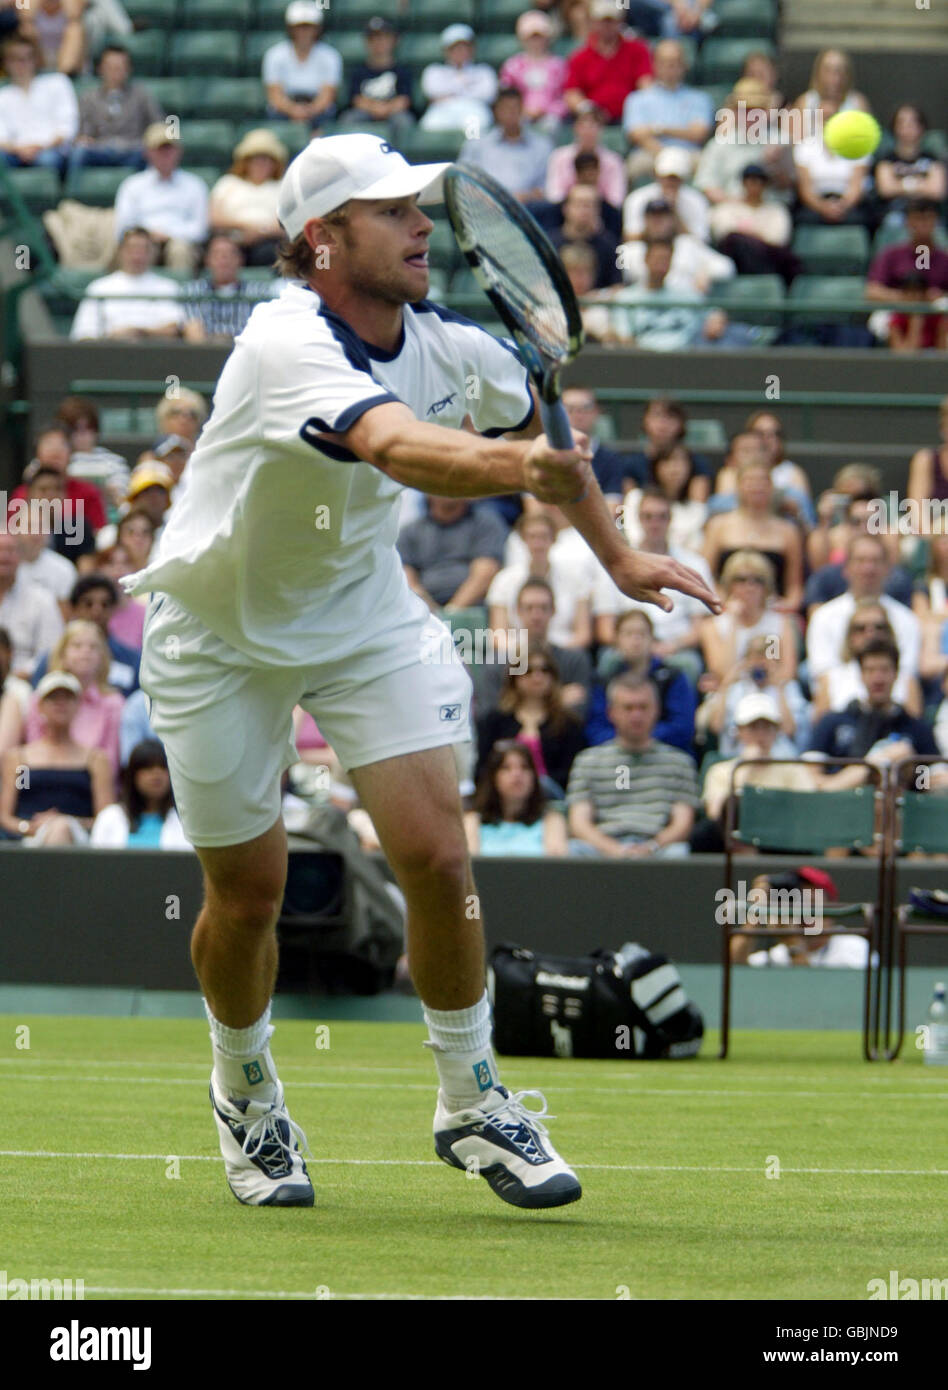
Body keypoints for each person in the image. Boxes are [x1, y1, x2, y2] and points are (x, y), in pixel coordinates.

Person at [119, 130, 718, 1211]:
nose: (421, 225)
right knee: (248, 895)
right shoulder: (281, 343)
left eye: (420, 206)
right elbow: (398, 447)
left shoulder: (448, 345)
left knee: (441, 856)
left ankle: (470, 1096)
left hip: (364, 620)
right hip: (218, 632)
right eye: (392, 209)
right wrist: (518, 467)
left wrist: (619, 553)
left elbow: (541, 431)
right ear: (322, 238)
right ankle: (246, 1091)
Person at [566, 672, 699, 856]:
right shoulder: (587, 761)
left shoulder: (679, 763)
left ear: (656, 710)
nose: (636, 715)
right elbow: (579, 823)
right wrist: (615, 849)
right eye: (628, 708)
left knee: (678, 852)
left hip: (657, 846)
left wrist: (651, 847)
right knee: (573, 849)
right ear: (611, 713)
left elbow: (683, 823)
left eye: (643, 707)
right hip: (602, 847)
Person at [593, 485, 711, 681]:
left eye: (661, 516)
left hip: (675, 649)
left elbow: (701, 627)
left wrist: (672, 646)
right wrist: (635, 646)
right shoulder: (618, 564)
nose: (655, 523)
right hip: (626, 647)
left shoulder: (694, 564)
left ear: (670, 519)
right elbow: (605, 629)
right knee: (607, 661)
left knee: (690, 665)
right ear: (639, 519)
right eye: (648, 516)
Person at [692, 692, 816, 852]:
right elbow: (715, 815)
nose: (760, 734)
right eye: (753, 727)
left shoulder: (792, 768)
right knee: (704, 834)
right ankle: (736, 876)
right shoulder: (721, 770)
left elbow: (807, 811)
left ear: (776, 731)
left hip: (778, 840)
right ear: (739, 731)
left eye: (767, 727)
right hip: (733, 843)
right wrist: (746, 769)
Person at [0, 670, 113, 843]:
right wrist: (28, 827)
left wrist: (66, 822)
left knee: (61, 828)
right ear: (40, 706)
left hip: (80, 841)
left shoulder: (95, 760)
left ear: (78, 705)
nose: (61, 704)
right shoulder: (21, 760)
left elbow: (106, 819)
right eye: (53, 698)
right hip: (27, 841)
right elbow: (6, 815)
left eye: (67, 698)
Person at [807, 638, 939, 777]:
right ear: (861, 675)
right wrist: (878, 761)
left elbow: (935, 780)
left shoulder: (916, 728)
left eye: (884, 670)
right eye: (870, 670)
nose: (877, 678)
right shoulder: (833, 721)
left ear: (896, 674)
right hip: (842, 796)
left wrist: (918, 779)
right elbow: (811, 777)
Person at [806, 535, 922, 683]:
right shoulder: (823, 617)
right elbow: (822, 674)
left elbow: (907, 675)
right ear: (846, 568)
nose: (868, 568)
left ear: (888, 569)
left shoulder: (906, 619)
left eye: (875, 561)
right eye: (861, 561)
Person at [475, 644, 587, 795]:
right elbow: (482, 771)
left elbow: (573, 774)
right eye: (528, 670)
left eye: (544, 670)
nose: (537, 677)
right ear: (514, 676)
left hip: (554, 801)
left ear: (553, 676)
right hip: (500, 801)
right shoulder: (494, 722)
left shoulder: (568, 723)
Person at [22, 617, 124, 777]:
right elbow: (32, 753)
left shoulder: (113, 702)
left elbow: (110, 764)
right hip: (43, 779)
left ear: (102, 657)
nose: (86, 652)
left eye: (93, 647)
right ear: (62, 654)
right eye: (77, 646)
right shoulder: (39, 698)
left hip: (90, 783)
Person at [586, 607, 697, 751]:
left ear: (652, 639)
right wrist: (628, 741)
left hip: (665, 755)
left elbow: (682, 728)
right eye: (628, 634)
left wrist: (640, 739)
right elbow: (595, 731)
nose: (635, 640)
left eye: (641, 633)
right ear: (617, 640)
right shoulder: (605, 680)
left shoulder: (672, 677)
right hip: (615, 756)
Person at [703, 459, 805, 613]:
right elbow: (705, 574)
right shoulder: (718, 526)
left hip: (772, 614)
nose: (757, 486)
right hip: (726, 611)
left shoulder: (788, 531)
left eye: (763, 481)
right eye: (749, 480)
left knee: (774, 637)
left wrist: (786, 606)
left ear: (772, 487)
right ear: (738, 486)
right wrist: (722, 603)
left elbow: (794, 587)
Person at [482, 575, 593, 715]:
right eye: (529, 608)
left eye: (543, 607)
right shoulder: (497, 664)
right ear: (518, 611)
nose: (536, 615)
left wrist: (515, 703)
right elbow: (490, 718)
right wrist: (558, 699)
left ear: (553, 611)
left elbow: (578, 714)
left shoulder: (574, 661)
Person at [486, 514, 593, 651]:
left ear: (553, 539)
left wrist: (555, 654)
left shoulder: (576, 577)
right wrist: (524, 653)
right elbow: (497, 635)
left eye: (544, 537)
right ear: (523, 540)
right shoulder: (503, 580)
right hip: (517, 655)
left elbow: (583, 634)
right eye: (532, 537)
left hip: (563, 653)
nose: (538, 544)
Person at [113, 126, 209, 272]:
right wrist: (149, 234)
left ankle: (178, 293)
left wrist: (169, 234)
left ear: (179, 151)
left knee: (180, 250)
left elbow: (200, 228)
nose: (165, 154)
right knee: (139, 248)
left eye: (169, 148)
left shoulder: (195, 185)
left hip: (181, 243)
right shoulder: (132, 185)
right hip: (144, 240)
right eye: (159, 149)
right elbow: (124, 226)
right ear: (147, 153)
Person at [697, 631, 808, 757]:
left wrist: (779, 689)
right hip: (737, 756)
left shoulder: (788, 688)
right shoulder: (735, 689)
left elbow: (789, 730)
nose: (761, 664)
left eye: (765, 658)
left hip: (778, 757)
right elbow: (716, 727)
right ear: (747, 660)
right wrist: (726, 685)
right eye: (756, 657)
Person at [31, 572, 140, 697]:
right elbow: (37, 703)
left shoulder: (132, 659)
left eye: (105, 604)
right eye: (88, 604)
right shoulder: (51, 658)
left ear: (114, 609)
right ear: (73, 608)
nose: (97, 610)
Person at [701, 549, 798, 688]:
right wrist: (734, 622)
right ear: (729, 584)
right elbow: (722, 673)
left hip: (771, 691)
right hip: (729, 694)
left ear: (766, 587)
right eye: (741, 580)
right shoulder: (712, 626)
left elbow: (786, 672)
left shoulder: (779, 623)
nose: (749, 587)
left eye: (757, 580)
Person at [810, 600, 922, 721]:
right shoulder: (832, 678)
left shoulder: (905, 678)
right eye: (861, 628)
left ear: (890, 633)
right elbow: (820, 729)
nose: (870, 634)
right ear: (850, 636)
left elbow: (914, 729)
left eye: (879, 627)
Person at [621, 39, 712, 184]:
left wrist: (659, 129)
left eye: (675, 62)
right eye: (664, 62)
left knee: (708, 166)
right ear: (654, 65)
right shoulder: (637, 99)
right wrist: (665, 153)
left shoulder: (699, 98)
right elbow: (636, 134)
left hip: (689, 154)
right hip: (651, 153)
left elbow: (698, 133)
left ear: (684, 65)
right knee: (634, 166)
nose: (670, 67)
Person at [397, 496, 509, 613]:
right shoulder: (409, 531)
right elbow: (406, 578)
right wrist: (429, 610)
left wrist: (452, 611)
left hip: (474, 609)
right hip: (423, 608)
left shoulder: (486, 523)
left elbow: (485, 573)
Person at [70, 227, 184, 341]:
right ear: (120, 250)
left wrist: (139, 332)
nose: (137, 255)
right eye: (132, 249)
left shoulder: (168, 287)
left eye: (144, 249)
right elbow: (84, 334)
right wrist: (112, 337)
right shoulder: (98, 288)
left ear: (153, 252)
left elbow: (174, 329)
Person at [693, 79, 794, 205]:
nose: (751, 116)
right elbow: (707, 185)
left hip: (770, 209)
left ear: (767, 112)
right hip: (731, 210)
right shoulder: (718, 144)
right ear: (734, 112)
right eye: (744, 110)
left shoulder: (782, 142)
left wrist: (774, 166)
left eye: (757, 109)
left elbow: (789, 186)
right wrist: (735, 204)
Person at [69, 42, 160, 174]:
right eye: (110, 67)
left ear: (129, 69)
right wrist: (83, 138)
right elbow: (81, 131)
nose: (115, 72)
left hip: (132, 149)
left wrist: (149, 140)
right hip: (99, 149)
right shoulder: (89, 98)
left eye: (120, 67)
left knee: (147, 153)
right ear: (100, 69)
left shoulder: (141, 95)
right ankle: (73, 191)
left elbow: (158, 123)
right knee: (79, 152)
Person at [465, 741, 567, 856]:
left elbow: (555, 869)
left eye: (525, 767)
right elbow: (470, 866)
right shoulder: (472, 821)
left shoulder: (552, 820)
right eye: (506, 768)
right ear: (493, 777)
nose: (517, 774)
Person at [617, 195, 735, 295]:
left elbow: (726, 266)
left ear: (673, 220)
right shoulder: (630, 250)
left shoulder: (688, 245)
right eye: (653, 217)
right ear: (645, 220)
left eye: (663, 217)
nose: (658, 222)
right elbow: (614, 277)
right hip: (643, 313)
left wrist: (707, 274)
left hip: (683, 311)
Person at [563, 0, 653, 125]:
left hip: (630, 117)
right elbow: (572, 93)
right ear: (593, 22)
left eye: (611, 20)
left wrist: (637, 108)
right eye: (602, 21)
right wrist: (589, 109)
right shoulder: (580, 56)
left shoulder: (638, 50)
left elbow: (645, 84)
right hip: (594, 120)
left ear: (620, 21)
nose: (607, 26)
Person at [208, 130, 289, 269]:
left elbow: (288, 223)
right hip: (233, 238)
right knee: (222, 250)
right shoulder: (228, 183)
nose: (261, 164)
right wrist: (245, 228)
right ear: (246, 162)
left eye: (266, 159)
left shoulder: (283, 186)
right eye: (255, 159)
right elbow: (214, 218)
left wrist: (261, 232)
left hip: (270, 242)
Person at [0, 31, 77, 174]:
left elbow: (67, 129)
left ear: (35, 60)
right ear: (6, 63)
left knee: (49, 160)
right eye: (15, 59)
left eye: (26, 58)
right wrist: (20, 150)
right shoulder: (3, 95)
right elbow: (1, 137)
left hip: (50, 150)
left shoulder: (57, 82)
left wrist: (39, 147)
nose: (21, 64)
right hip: (14, 153)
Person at [91, 737, 190, 848]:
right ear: (132, 775)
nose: (156, 774)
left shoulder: (186, 822)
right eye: (148, 768)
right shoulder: (109, 817)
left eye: (163, 767)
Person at [458, 88, 552, 203]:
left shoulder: (541, 146)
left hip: (528, 210)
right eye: (505, 109)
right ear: (496, 112)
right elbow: (463, 183)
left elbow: (546, 189)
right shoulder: (476, 145)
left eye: (514, 108)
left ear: (522, 110)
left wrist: (523, 197)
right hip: (484, 208)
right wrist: (487, 199)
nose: (510, 113)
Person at [709, 165, 798, 283]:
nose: (754, 185)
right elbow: (723, 233)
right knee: (736, 242)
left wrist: (748, 234)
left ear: (765, 185)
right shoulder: (727, 208)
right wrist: (756, 235)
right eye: (750, 181)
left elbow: (778, 239)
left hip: (768, 258)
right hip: (736, 260)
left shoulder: (777, 211)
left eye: (759, 181)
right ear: (743, 183)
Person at [263, 0, 342, 131]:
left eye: (308, 26)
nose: (304, 31)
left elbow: (328, 95)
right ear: (291, 28)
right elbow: (275, 94)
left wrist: (309, 111)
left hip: (318, 111)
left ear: (317, 29)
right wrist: (293, 110)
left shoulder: (330, 56)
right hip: (284, 110)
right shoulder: (274, 55)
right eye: (299, 26)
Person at [182, 235, 275, 344]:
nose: (224, 260)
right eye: (217, 255)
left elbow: (261, 332)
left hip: (245, 353)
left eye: (230, 254)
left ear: (240, 259)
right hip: (206, 354)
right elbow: (194, 333)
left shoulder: (258, 292)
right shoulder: (194, 291)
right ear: (207, 260)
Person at [873, 105, 947, 233]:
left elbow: (937, 191)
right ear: (894, 127)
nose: (907, 127)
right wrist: (920, 184)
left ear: (922, 127)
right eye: (902, 122)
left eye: (913, 122)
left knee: (931, 224)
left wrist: (902, 185)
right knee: (893, 222)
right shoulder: (886, 160)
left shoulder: (932, 159)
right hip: (896, 213)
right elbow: (886, 189)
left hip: (927, 213)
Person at [0, 532, 64, 679]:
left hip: (25, 683)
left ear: (21, 556)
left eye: (10, 550)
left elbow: (50, 651)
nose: (3, 557)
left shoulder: (42, 599)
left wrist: (17, 676)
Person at [341, 17, 413, 137]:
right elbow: (356, 99)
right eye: (373, 38)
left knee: (404, 120)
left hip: (394, 113)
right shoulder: (359, 71)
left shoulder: (402, 71)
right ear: (367, 42)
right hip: (365, 113)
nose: (379, 42)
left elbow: (404, 100)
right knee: (350, 119)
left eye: (384, 37)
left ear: (393, 40)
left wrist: (386, 109)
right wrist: (375, 108)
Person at [561, 387, 638, 499]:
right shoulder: (544, 453)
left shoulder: (611, 459)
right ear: (557, 413)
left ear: (597, 412)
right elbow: (535, 509)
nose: (578, 414)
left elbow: (612, 509)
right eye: (569, 409)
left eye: (586, 408)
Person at [55, 396, 129, 510]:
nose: (83, 434)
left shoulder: (114, 462)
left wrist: (110, 493)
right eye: (75, 428)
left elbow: (124, 502)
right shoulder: (53, 459)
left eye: (89, 427)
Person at [419, 24, 497, 134]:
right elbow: (432, 91)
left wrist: (451, 93)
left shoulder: (484, 71)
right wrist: (467, 88)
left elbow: (488, 95)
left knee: (478, 129)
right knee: (431, 126)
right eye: (454, 47)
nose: (460, 51)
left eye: (464, 46)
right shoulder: (434, 71)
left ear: (472, 48)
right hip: (442, 111)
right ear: (446, 50)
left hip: (474, 110)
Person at [498, 10, 568, 132]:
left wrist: (547, 111)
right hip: (521, 115)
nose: (536, 42)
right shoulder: (513, 65)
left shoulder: (558, 65)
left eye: (539, 37)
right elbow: (506, 94)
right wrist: (522, 110)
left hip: (551, 118)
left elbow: (565, 97)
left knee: (551, 125)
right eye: (531, 38)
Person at [623, 146, 710, 243]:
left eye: (675, 178)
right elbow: (631, 239)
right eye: (666, 177)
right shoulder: (637, 198)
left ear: (683, 178)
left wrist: (674, 212)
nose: (670, 182)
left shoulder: (696, 200)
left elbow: (700, 243)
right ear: (657, 175)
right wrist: (655, 224)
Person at [546, 103, 626, 209]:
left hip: (603, 215)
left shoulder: (614, 160)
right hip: (564, 213)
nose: (588, 131)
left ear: (601, 129)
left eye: (593, 125)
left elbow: (616, 200)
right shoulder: (559, 157)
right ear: (575, 127)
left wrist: (590, 201)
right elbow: (554, 195)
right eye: (583, 125)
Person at [550, 183, 621, 289]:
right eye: (579, 204)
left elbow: (618, 285)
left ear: (598, 210)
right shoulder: (549, 243)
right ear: (565, 208)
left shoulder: (610, 244)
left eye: (589, 205)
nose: (584, 211)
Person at [790, 47, 870, 121]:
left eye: (840, 71)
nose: (834, 79)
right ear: (818, 73)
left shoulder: (857, 104)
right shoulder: (804, 103)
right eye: (828, 71)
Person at [19, 0, 84, 73]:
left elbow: (75, 14)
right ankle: (41, 72)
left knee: (75, 29)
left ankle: (63, 74)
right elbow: (24, 16)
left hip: (64, 53)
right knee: (27, 28)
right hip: (41, 54)